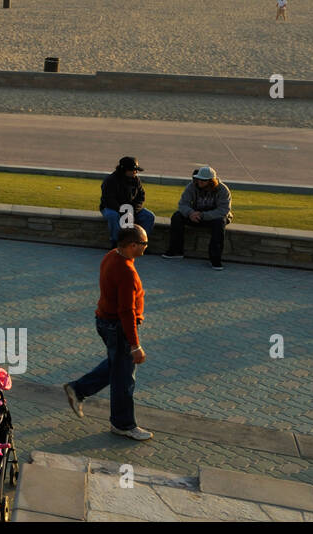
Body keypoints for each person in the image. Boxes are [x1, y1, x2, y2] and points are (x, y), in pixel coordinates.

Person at [63, 225, 153, 441]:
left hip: (103, 321)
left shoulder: (111, 255)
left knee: (116, 365)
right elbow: (126, 312)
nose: (146, 247)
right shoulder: (127, 272)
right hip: (118, 327)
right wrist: (135, 345)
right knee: (124, 378)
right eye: (144, 244)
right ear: (133, 245)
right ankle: (123, 424)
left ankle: (78, 389)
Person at [162, 165, 232, 270]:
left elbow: (223, 210)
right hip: (195, 215)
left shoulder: (223, 190)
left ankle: (215, 259)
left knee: (220, 223)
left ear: (211, 181)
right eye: (199, 179)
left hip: (213, 217)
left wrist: (203, 215)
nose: (199, 182)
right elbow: (183, 204)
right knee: (177, 216)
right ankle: (176, 251)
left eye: (203, 180)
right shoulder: (192, 186)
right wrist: (191, 213)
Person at [99, 156, 155, 245]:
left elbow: (141, 196)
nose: (136, 172)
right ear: (125, 170)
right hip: (111, 208)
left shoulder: (136, 180)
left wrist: (132, 210)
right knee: (113, 216)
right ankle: (117, 243)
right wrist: (124, 211)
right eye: (133, 170)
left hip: (131, 209)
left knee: (149, 216)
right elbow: (109, 200)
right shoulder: (110, 180)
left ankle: (140, 243)